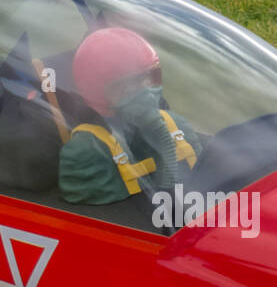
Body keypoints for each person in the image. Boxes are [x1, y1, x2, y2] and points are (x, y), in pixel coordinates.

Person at [58, 27, 203, 205]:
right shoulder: (89, 151)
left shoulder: (177, 129)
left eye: (148, 79)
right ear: (97, 92)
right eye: (129, 85)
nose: (148, 94)